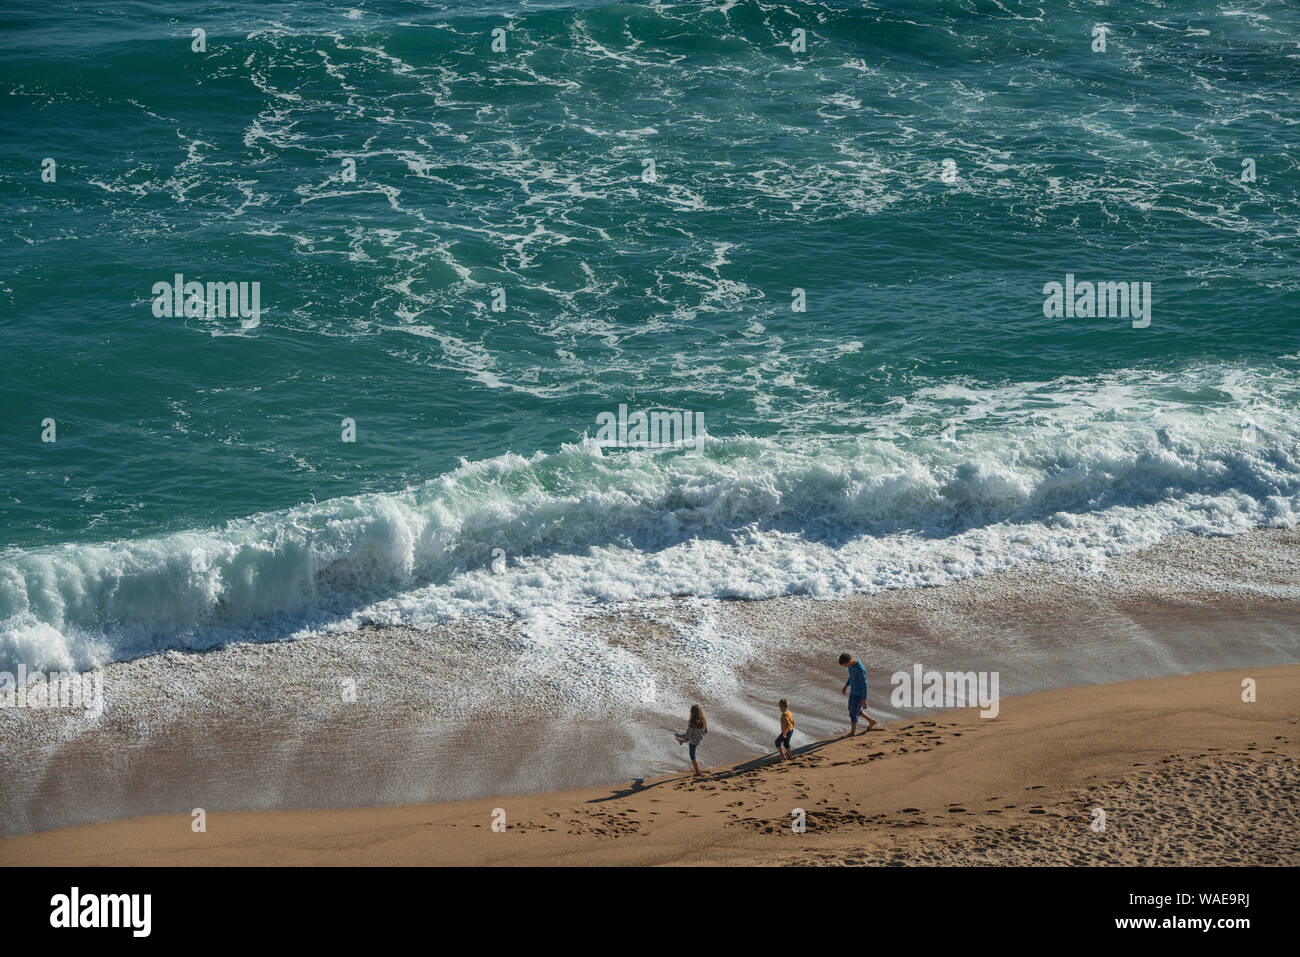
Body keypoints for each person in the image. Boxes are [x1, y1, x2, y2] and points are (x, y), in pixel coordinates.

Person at [839, 653, 878, 735]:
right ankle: (871, 722)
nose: (845, 666)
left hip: (859, 694)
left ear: (849, 661)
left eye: (845, 664)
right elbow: (851, 677)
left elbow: (865, 686)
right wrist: (846, 686)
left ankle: (853, 732)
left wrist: (864, 700)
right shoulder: (850, 665)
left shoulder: (860, 670)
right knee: (852, 709)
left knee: (853, 713)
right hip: (853, 691)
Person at [674, 704, 708, 775]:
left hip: (693, 741)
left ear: (692, 713)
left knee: (692, 756)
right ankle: (682, 741)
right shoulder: (703, 721)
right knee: (692, 735)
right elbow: (706, 731)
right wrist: (700, 734)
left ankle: (698, 772)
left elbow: (687, 735)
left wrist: (677, 734)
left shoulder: (693, 723)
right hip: (698, 739)